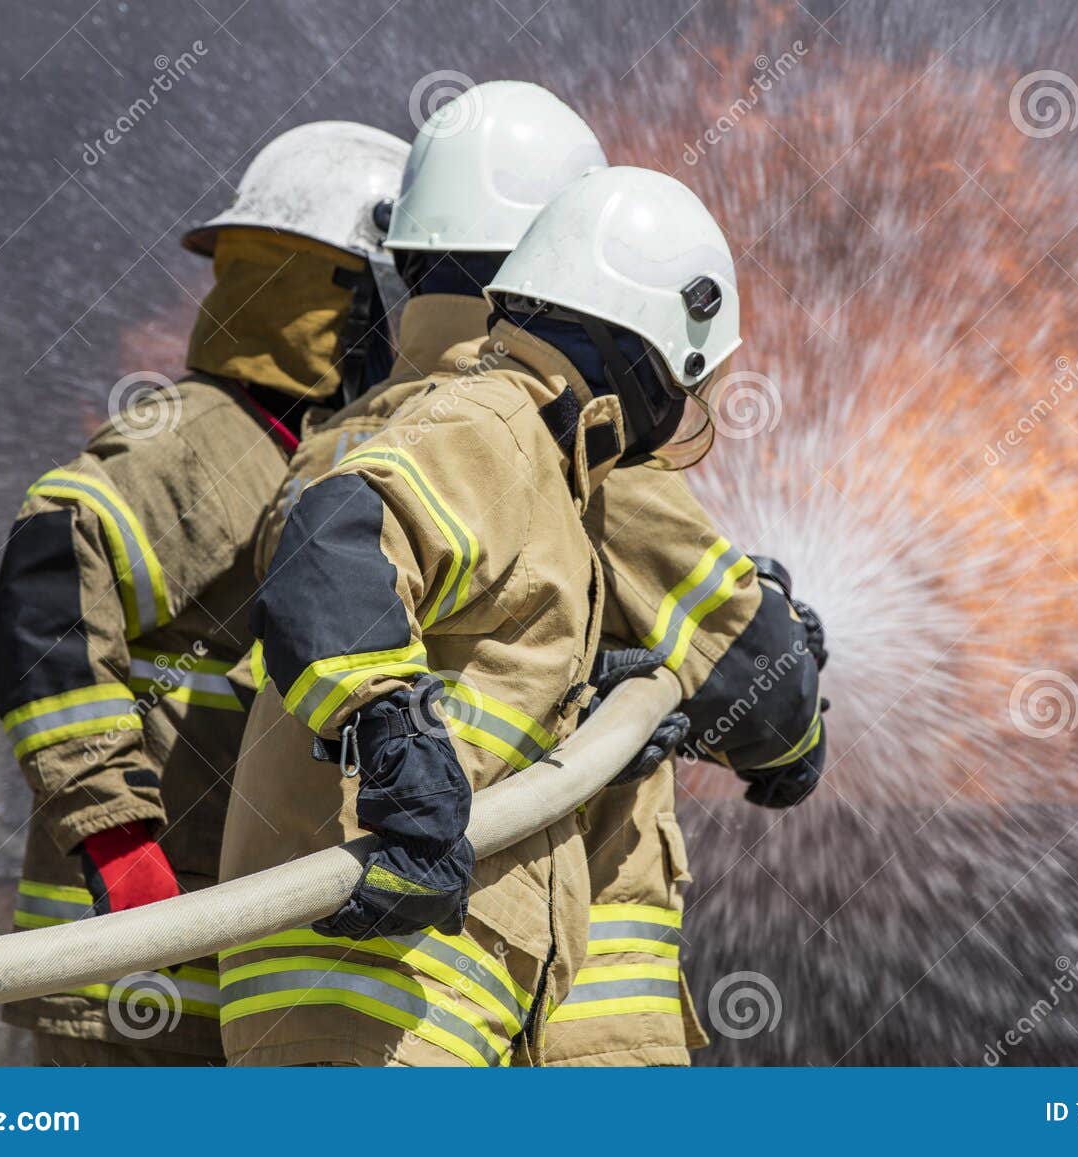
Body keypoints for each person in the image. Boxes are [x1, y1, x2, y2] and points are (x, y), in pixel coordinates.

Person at [229, 84, 828, 1067]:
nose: (664, 424)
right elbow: (334, 548)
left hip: (440, 971)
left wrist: (595, 696)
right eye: (672, 387)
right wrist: (399, 745)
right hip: (400, 982)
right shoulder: (505, 431)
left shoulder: (391, 422)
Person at [0, 121, 407, 1065]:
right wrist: (119, 842)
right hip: (146, 976)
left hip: (206, 972)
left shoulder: (295, 454)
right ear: (355, 297)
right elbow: (47, 580)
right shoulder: (209, 441)